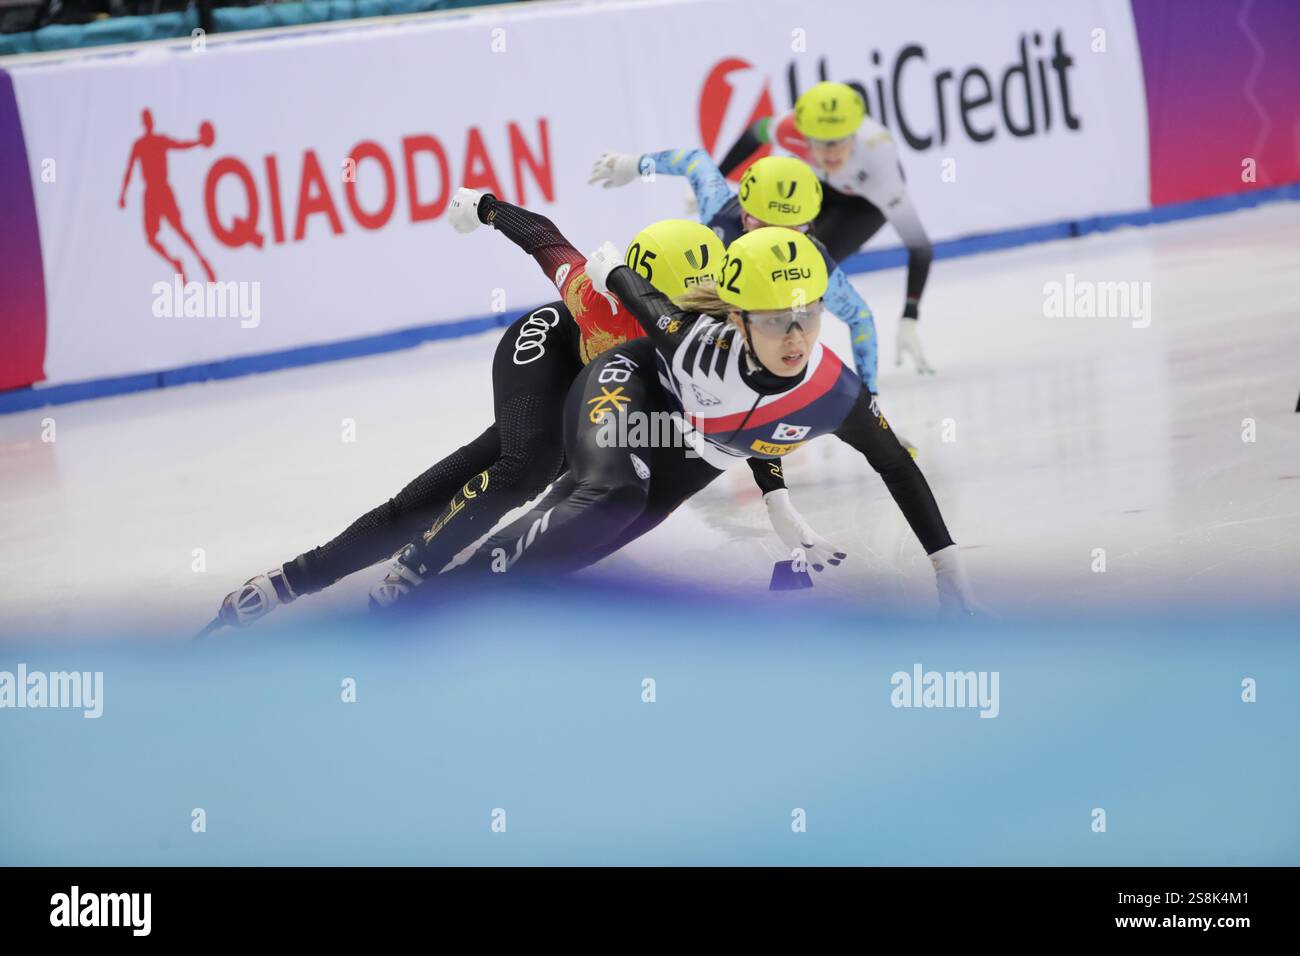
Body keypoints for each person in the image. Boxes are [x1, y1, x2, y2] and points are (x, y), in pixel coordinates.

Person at [212, 203, 839, 627]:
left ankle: (411, 582)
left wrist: (775, 493)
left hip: (609, 391)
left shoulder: (710, 333)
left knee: (577, 507)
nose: (676, 320)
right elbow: (545, 239)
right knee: (524, 462)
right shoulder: (596, 296)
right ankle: (373, 570)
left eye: (704, 304)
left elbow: (748, 410)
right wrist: (483, 205)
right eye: (673, 304)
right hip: (548, 350)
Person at [375, 226, 979, 615]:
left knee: (584, 541)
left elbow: (894, 464)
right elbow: (649, 304)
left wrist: (947, 570)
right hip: (624, 383)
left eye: (808, 316)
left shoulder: (833, 393)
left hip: (697, 451)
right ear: (738, 320)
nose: (794, 337)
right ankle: (437, 598)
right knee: (611, 492)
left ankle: (481, 597)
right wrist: (611, 268)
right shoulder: (698, 345)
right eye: (773, 320)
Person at [590, 150, 886, 396]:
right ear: (744, 212)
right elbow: (695, 161)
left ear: (808, 223)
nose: (773, 237)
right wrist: (636, 165)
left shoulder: (808, 254)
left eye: (791, 230)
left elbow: (860, 318)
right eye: (764, 225)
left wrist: (870, 402)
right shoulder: (721, 209)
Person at [712, 81, 937, 374]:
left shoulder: (880, 162)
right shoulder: (789, 128)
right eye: (819, 142)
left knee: (808, 265)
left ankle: (785, 353)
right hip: (818, 188)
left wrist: (909, 315)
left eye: (840, 141)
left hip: (863, 205)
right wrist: (719, 176)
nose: (831, 153)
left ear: (855, 136)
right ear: (804, 135)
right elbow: (755, 132)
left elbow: (920, 246)